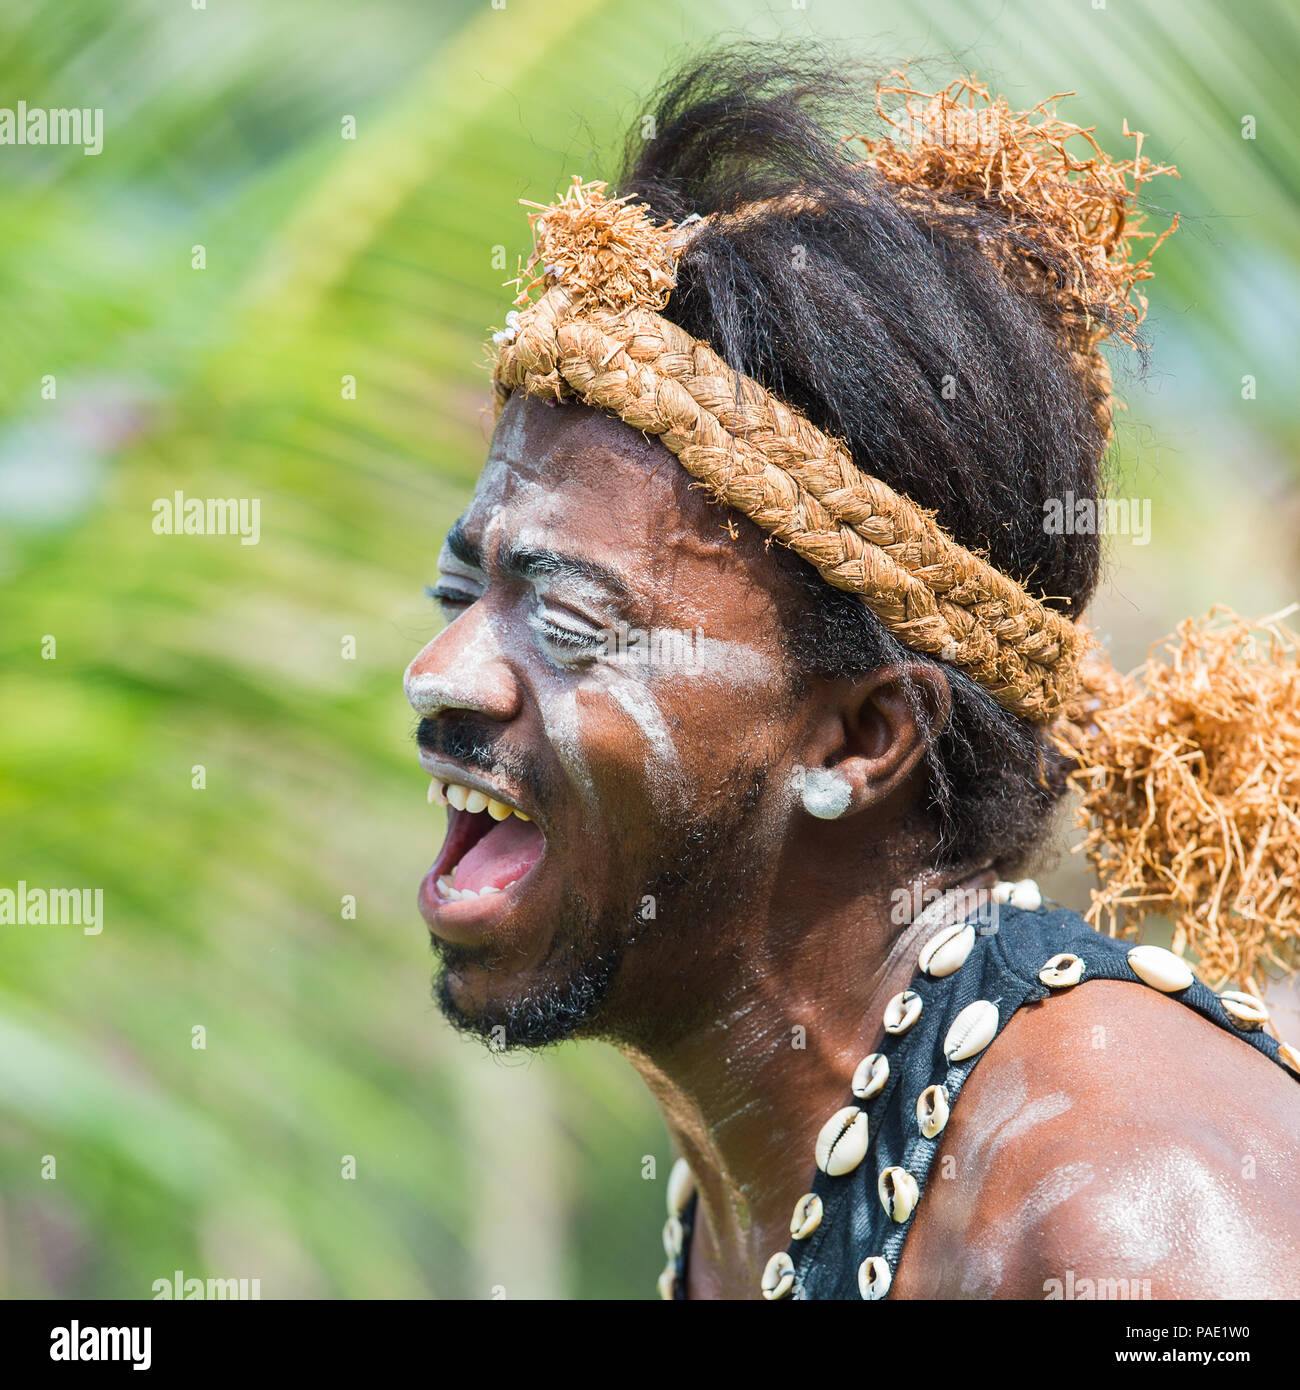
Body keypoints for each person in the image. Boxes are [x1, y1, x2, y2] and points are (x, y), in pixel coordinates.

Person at [404, 48, 1300, 1299]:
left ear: (859, 740)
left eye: (562, 615)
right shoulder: (755, 1177)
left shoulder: (1129, 1227)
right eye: (464, 591)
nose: (441, 673)